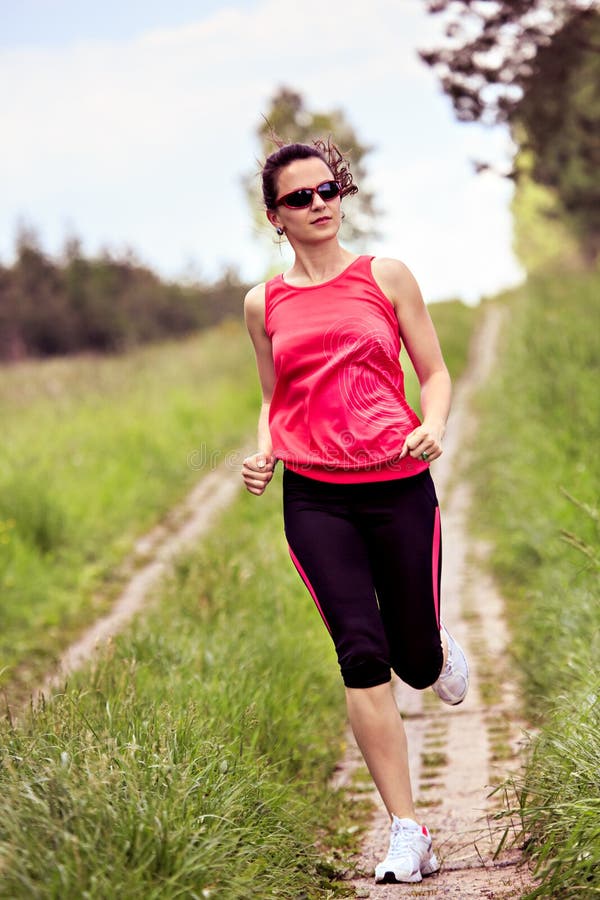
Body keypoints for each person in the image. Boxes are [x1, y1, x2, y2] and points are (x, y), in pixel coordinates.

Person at [241, 137, 469, 885]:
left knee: (414, 658)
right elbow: (277, 398)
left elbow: (433, 373)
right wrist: (263, 448)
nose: (320, 206)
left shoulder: (386, 277)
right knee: (362, 656)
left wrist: (432, 423)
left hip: (398, 481)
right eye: (300, 198)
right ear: (275, 216)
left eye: (328, 190)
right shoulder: (264, 303)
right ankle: (409, 830)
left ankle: (435, 647)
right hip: (315, 497)